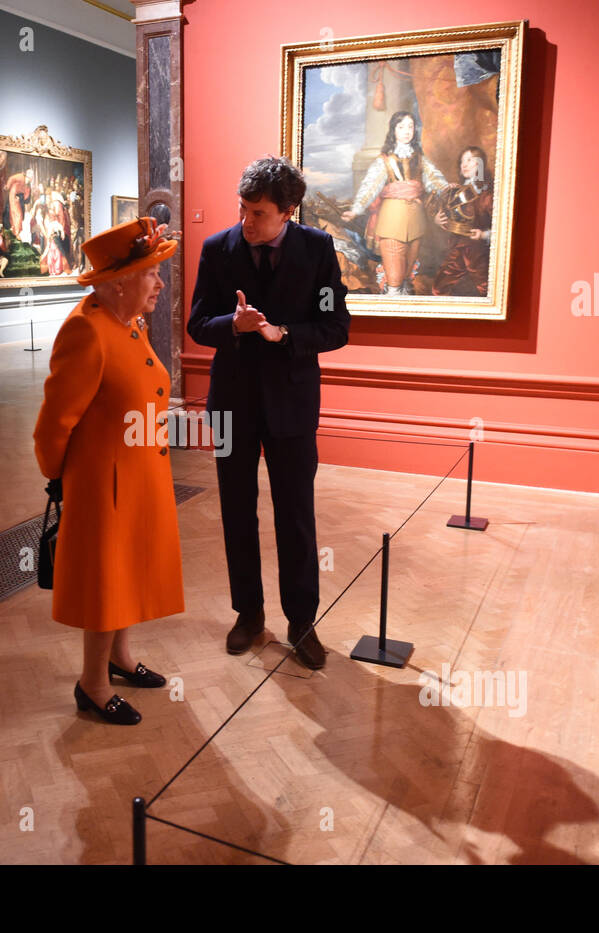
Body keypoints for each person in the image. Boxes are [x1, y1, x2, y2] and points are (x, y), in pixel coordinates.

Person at [187, 157, 350, 669]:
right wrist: (232, 326)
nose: (246, 221)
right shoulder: (218, 250)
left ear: (288, 211)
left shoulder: (318, 250)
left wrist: (285, 335)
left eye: (258, 212)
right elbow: (196, 323)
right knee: (237, 511)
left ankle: (301, 622)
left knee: (296, 516)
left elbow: (335, 326)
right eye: (242, 208)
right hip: (232, 406)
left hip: (292, 405)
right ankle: (249, 613)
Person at [33, 217, 184, 725]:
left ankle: (120, 660)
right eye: (152, 273)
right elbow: (55, 422)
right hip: (104, 484)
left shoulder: (127, 322)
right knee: (106, 583)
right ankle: (92, 684)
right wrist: (61, 476)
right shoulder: (87, 330)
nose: (160, 283)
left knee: (128, 573)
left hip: (139, 475)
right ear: (119, 282)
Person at [343, 111, 448, 295]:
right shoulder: (385, 160)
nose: (407, 131)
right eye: (401, 127)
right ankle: (392, 296)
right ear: (394, 130)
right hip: (392, 218)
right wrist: (356, 209)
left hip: (416, 221)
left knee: (408, 270)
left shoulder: (420, 159)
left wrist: (449, 189)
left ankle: (404, 304)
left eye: (410, 126)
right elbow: (370, 186)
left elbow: (436, 181)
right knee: (394, 273)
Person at [430, 146, 493, 297]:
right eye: (462, 161)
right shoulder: (457, 190)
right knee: (439, 289)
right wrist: (437, 220)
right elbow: (451, 219)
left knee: (488, 290)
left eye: (469, 160)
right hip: (458, 248)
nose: (463, 165)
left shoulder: (488, 195)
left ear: (480, 164)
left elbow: (503, 228)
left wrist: (483, 235)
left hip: (479, 252)